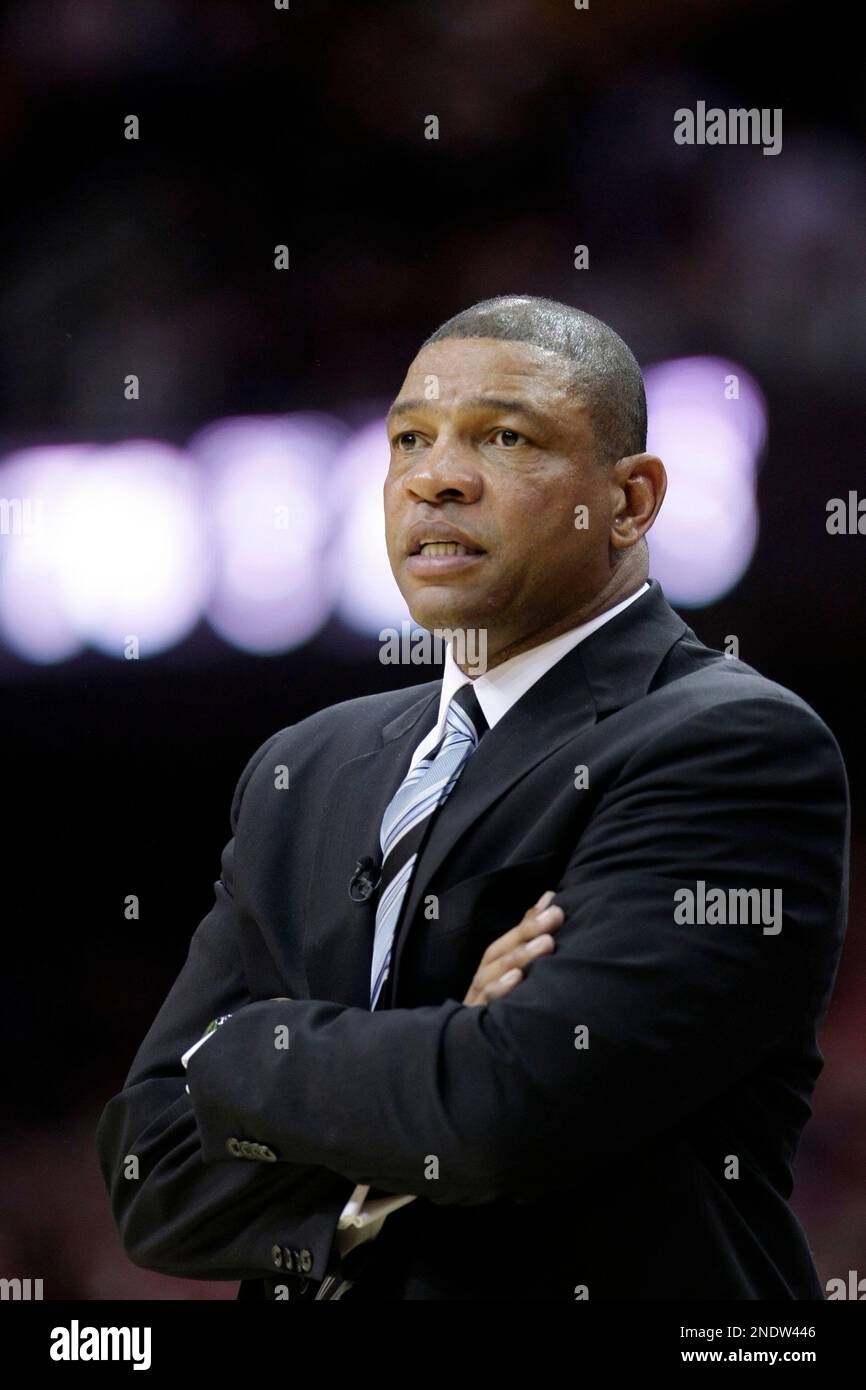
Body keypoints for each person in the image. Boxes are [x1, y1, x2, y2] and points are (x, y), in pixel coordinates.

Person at [96, 295, 849, 1300]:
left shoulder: (728, 742)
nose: (435, 477)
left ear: (627, 501)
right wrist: (445, 1040)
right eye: (408, 437)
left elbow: (508, 1109)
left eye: (501, 436)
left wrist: (244, 1050)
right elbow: (152, 1171)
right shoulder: (303, 767)